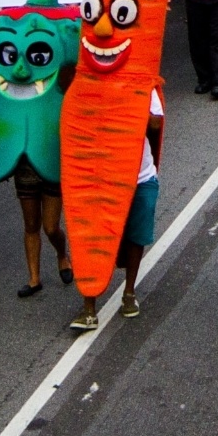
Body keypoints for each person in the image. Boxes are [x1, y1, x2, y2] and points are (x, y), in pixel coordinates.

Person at [69, 86, 164, 330]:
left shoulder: (144, 85)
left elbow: (155, 125)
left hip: (141, 177)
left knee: (136, 237)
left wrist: (128, 108)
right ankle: (88, 307)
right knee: (94, 239)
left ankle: (129, 293)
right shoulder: (90, 84)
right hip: (102, 178)